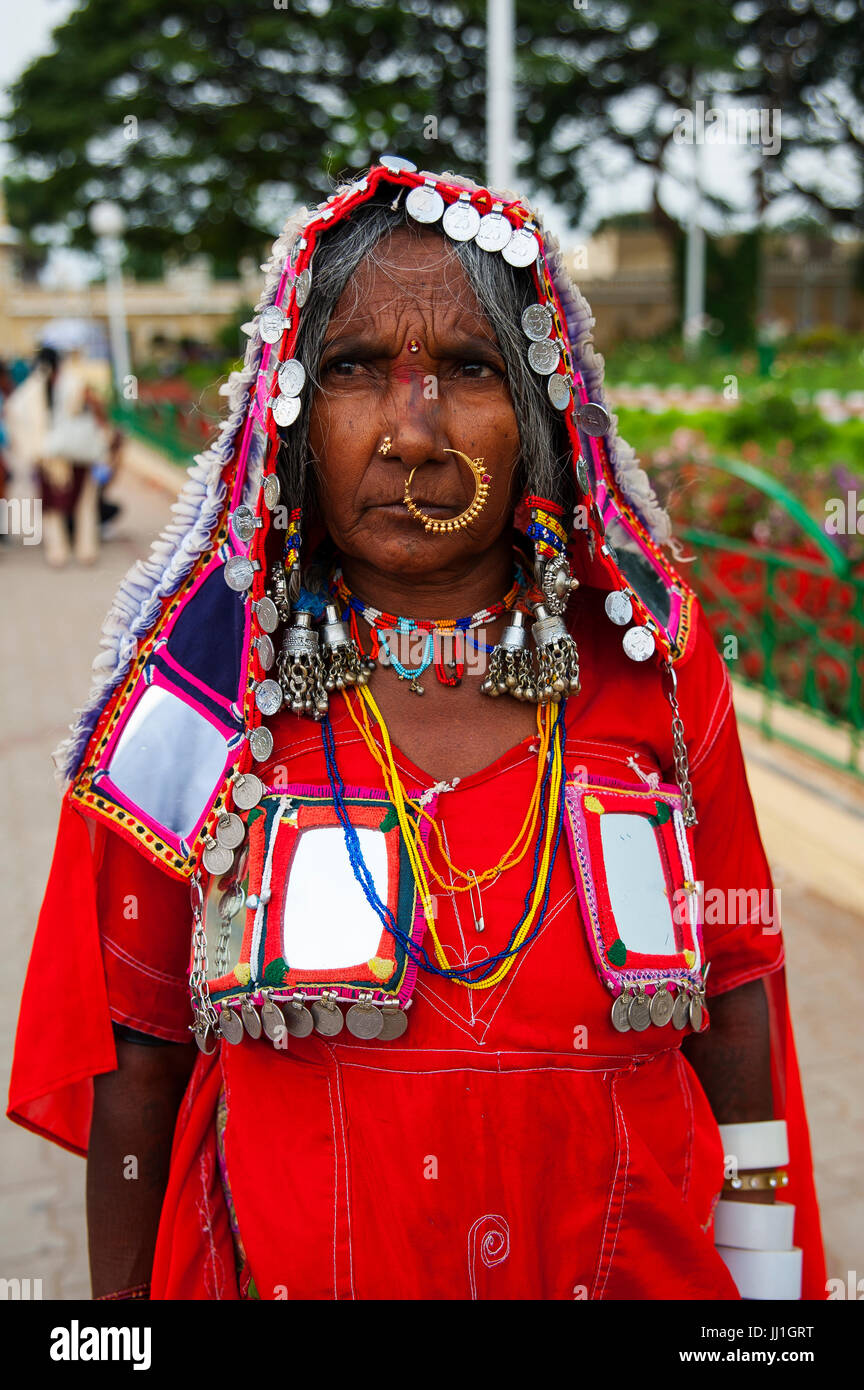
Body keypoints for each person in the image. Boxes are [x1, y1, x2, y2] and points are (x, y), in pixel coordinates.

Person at [8, 159, 824, 1301]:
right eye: (353, 369)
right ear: (292, 407)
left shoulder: (652, 660)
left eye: (470, 368)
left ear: (540, 409)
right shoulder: (202, 695)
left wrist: (770, 1301)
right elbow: (137, 1063)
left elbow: (737, 994)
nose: (411, 432)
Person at [4, 343, 109, 566]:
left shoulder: (31, 388)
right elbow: (97, 409)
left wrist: (30, 443)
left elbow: (12, 412)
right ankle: (86, 550)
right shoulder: (75, 383)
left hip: (47, 455)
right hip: (78, 452)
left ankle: (57, 552)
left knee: (51, 506)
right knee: (83, 503)